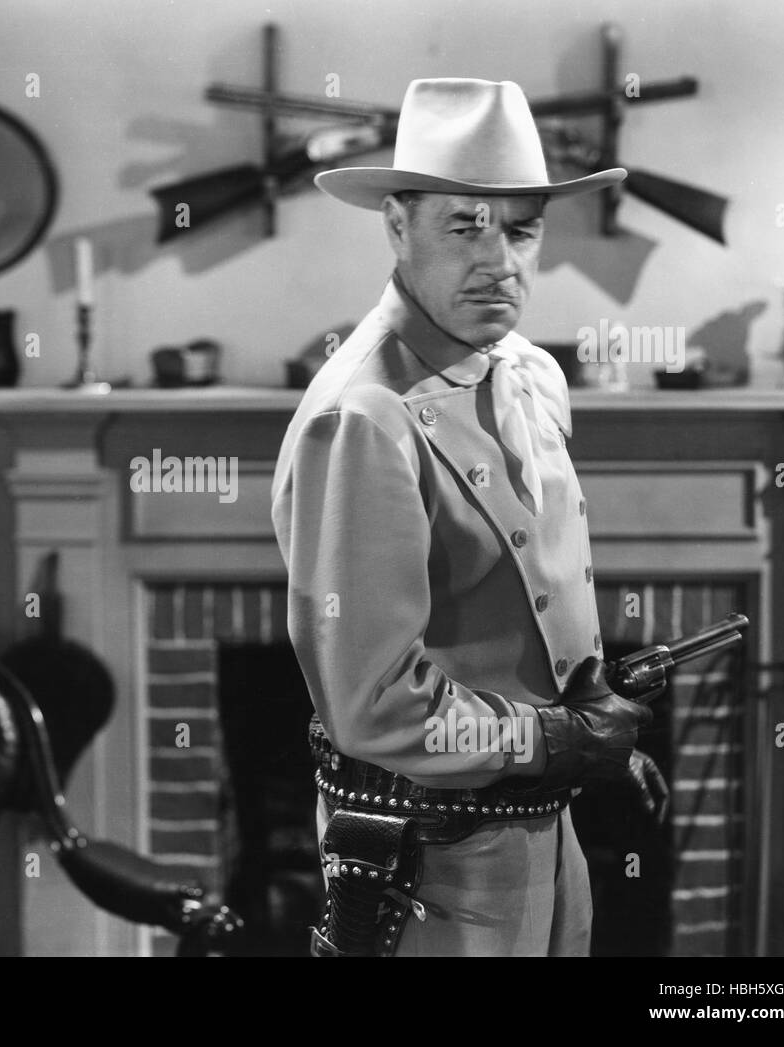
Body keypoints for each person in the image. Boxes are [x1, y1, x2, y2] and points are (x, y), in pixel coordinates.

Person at [271, 78, 668, 957]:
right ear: (397, 226)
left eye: (521, 229)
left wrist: (593, 715)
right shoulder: (364, 416)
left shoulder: (527, 371)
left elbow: (539, 595)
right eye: (464, 226)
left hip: (544, 825)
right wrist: (558, 738)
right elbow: (372, 704)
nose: (500, 261)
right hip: (434, 858)